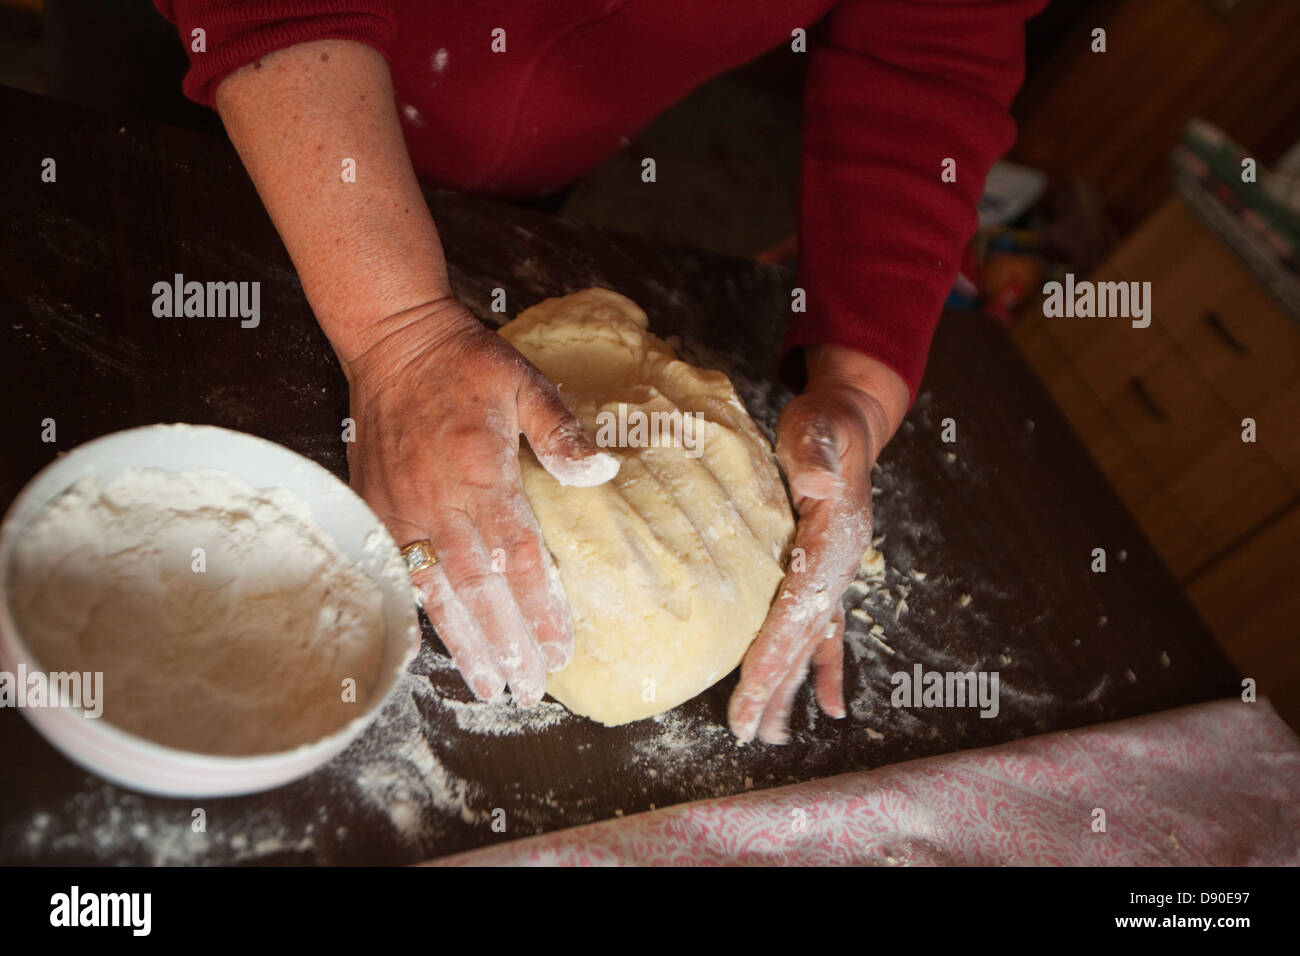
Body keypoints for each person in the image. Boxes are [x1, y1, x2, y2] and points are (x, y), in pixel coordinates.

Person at [155, 0, 1045, 744]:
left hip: (504, 176)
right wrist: (396, 331)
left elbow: (935, 51)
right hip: (231, 87)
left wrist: (860, 389)